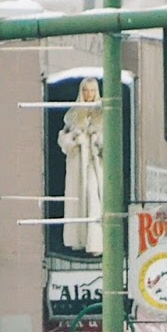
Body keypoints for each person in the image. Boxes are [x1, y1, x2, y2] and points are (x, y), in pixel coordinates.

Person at [58, 76, 103, 254]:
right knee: (77, 199)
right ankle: (78, 240)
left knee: (93, 196)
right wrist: (75, 139)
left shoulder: (103, 113)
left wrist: (97, 140)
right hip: (77, 162)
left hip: (94, 162)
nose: (89, 94)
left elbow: (108, 139)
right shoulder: (73, 114)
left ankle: (95, 243)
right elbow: (63, 139)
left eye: (92, 90)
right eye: (86, 90)